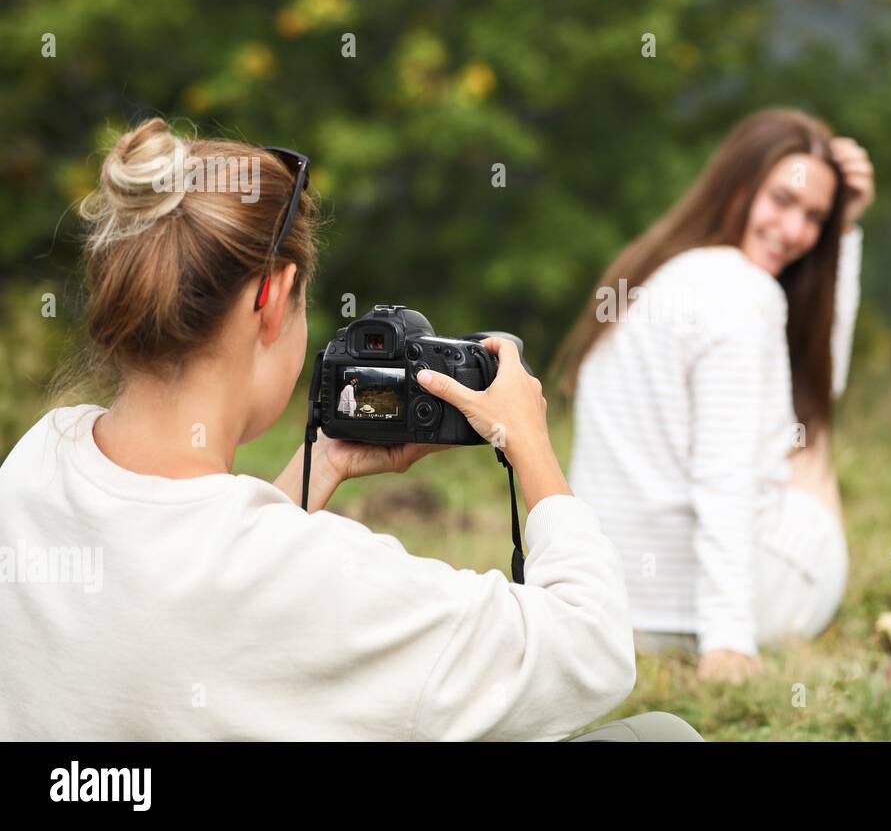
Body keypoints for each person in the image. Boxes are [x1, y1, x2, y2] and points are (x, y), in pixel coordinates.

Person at [0, 117, 701, 742]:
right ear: (271, 300)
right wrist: (532, 449)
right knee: (663, 736)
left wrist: (320, 465)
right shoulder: (328, 579)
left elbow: (188, 579)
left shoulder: (36, 464)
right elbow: (592, 654)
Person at [557, 108, 876, 684]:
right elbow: (725, 476)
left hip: (613, 605)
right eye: (782, 200)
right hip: (713, 609)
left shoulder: (654, 271)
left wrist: (845, 231)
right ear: (739, 183)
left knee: (801, 423)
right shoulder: (741, 293)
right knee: (811, 445)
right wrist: (728, 642)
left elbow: (813, 379)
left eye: (816, 219)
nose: (795, 232)